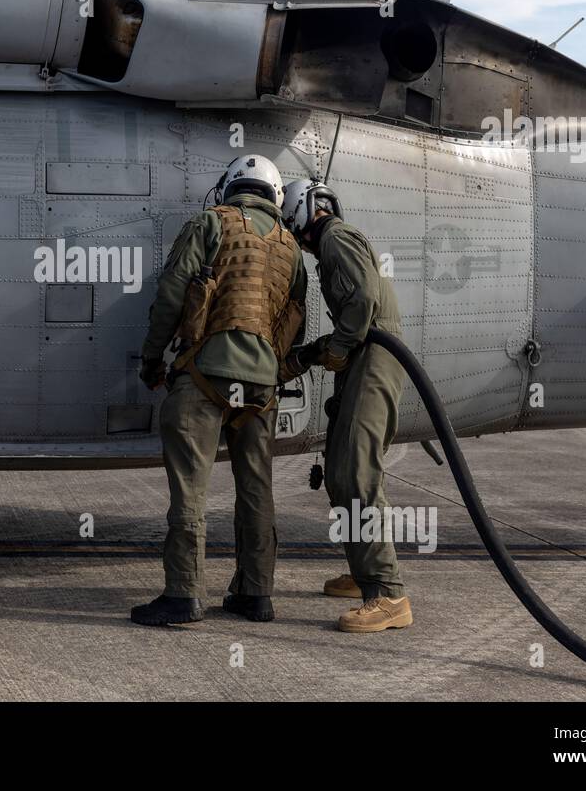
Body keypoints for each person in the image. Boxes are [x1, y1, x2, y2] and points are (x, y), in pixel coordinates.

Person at [132, 155, 307, 626]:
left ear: (229, 188)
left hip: (204, 376)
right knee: (256, 488)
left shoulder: (209, 223)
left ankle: (184, 594)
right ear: (273, 195)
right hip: (262, 387)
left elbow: (172, 293)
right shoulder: (291, 246)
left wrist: (152, 360)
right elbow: (295, 321)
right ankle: (256, 594)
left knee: (191, 488)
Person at [280, 179, 411, 632]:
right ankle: (363, 574)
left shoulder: (336, 237)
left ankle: (387, 594)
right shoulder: (336, 241)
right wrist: (314, 354)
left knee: (356, 472)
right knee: (339, 470)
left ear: (299, 212)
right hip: (362, 359)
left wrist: (335, 347)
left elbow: (362, 300)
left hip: (373, 359)